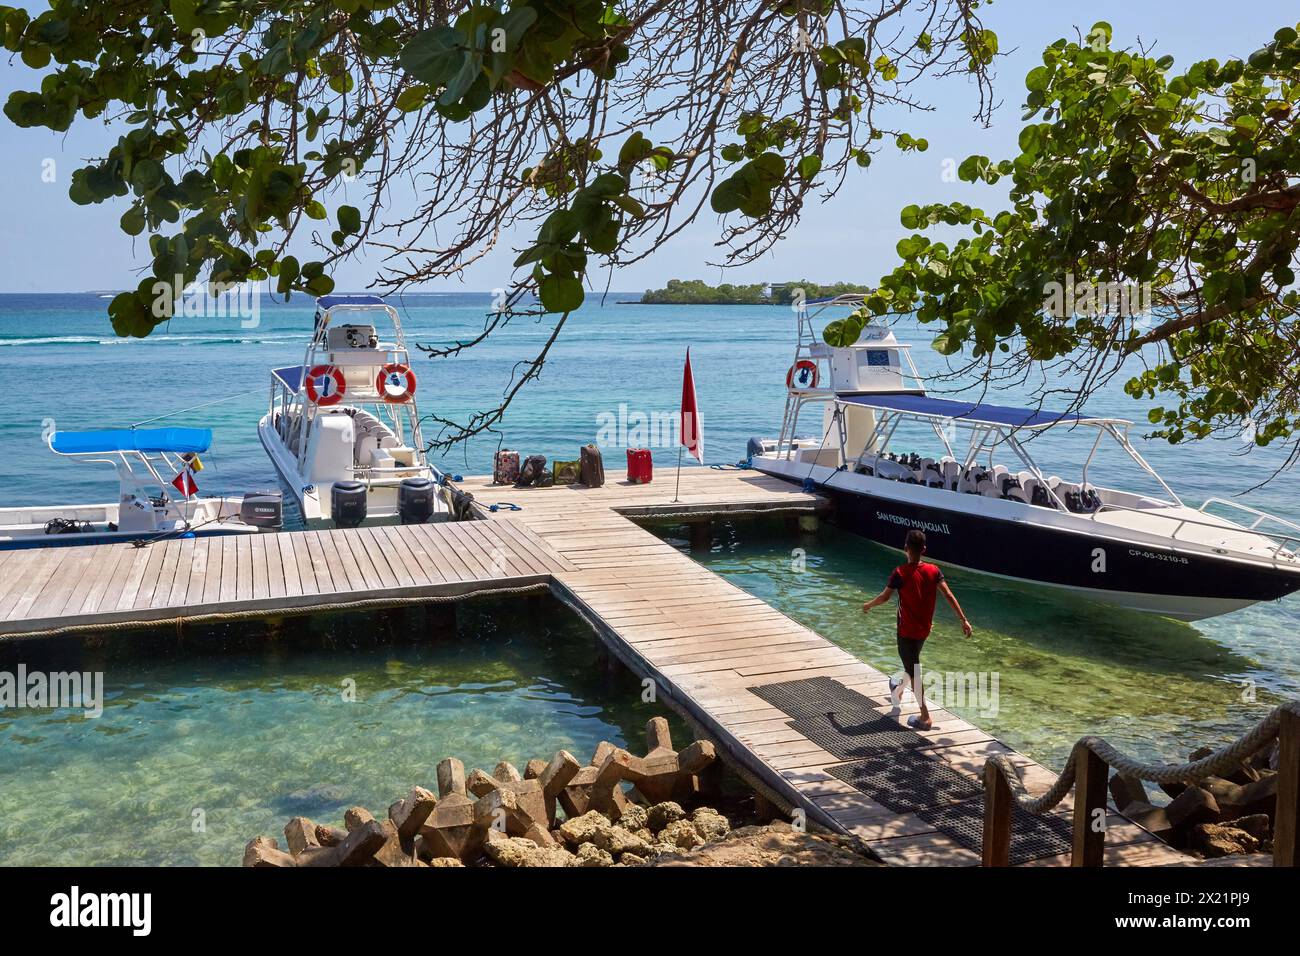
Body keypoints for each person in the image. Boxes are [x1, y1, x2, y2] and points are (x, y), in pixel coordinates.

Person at [861, 529, 972, 730]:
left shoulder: (900, 573)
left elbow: (885, 597)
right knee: (911, 664)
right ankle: (898, 690)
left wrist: (868, 605)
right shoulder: (934, 571)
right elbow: (948, 595)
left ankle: (925, 717)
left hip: (906, 632)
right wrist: (963, 620)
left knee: (915, 671)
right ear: (924, 549)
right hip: (924, 630)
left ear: (905, 548)